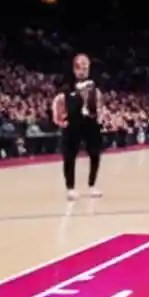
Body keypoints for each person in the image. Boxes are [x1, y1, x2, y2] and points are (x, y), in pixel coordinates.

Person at [52, 53, 103, 200]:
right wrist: (60, 121)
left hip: (91, 124)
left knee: (95, 154)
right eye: (79, 67)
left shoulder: (94, 87)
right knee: (69, 156)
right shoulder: (67, 88)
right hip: (73, 125)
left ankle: (92, 185)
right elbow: (57, 103)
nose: (83, 70)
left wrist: (100, 117)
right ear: (74, 69)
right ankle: (70, 188)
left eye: (85, 67)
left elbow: (99, 104)